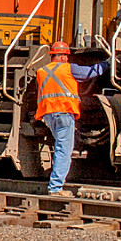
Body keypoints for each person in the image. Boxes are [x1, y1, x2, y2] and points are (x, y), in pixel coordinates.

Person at [34, 41, 109, 195]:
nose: (67, 59)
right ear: (61, 56)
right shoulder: (68, 69)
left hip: (48, 115)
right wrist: (107, 63)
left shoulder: (41, 71)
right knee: (64, 150)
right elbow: (91, 72)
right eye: (66, 56)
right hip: (64, 113)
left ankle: (58, 181)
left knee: (61, 147)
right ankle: (55, 187)